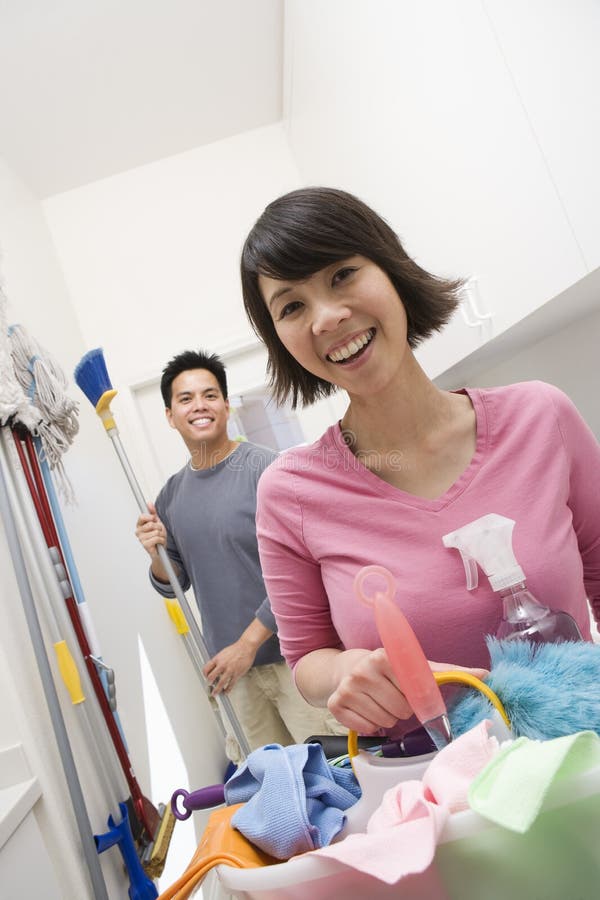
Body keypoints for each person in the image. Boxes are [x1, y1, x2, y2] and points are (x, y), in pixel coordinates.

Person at [240, 186, 600, 739]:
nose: (328, 317)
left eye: (342, 274)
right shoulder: (290, 493)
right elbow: (307, 657)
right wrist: (344, 670)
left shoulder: (541, 417)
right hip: (434, 795)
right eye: (292, 306)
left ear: (391, 270)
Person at [135, 349, 343, 760]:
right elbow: (175, 583)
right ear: (170, 415)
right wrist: (155, 550)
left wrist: (247, 645)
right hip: (234, 675)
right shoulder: (171, 496)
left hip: (297, 659)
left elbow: (306, 568)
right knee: (269, 789)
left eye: (210, 395)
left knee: (334, 772)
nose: (200, 406)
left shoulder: (268, 471)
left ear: (226, 406)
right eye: (186, 398)